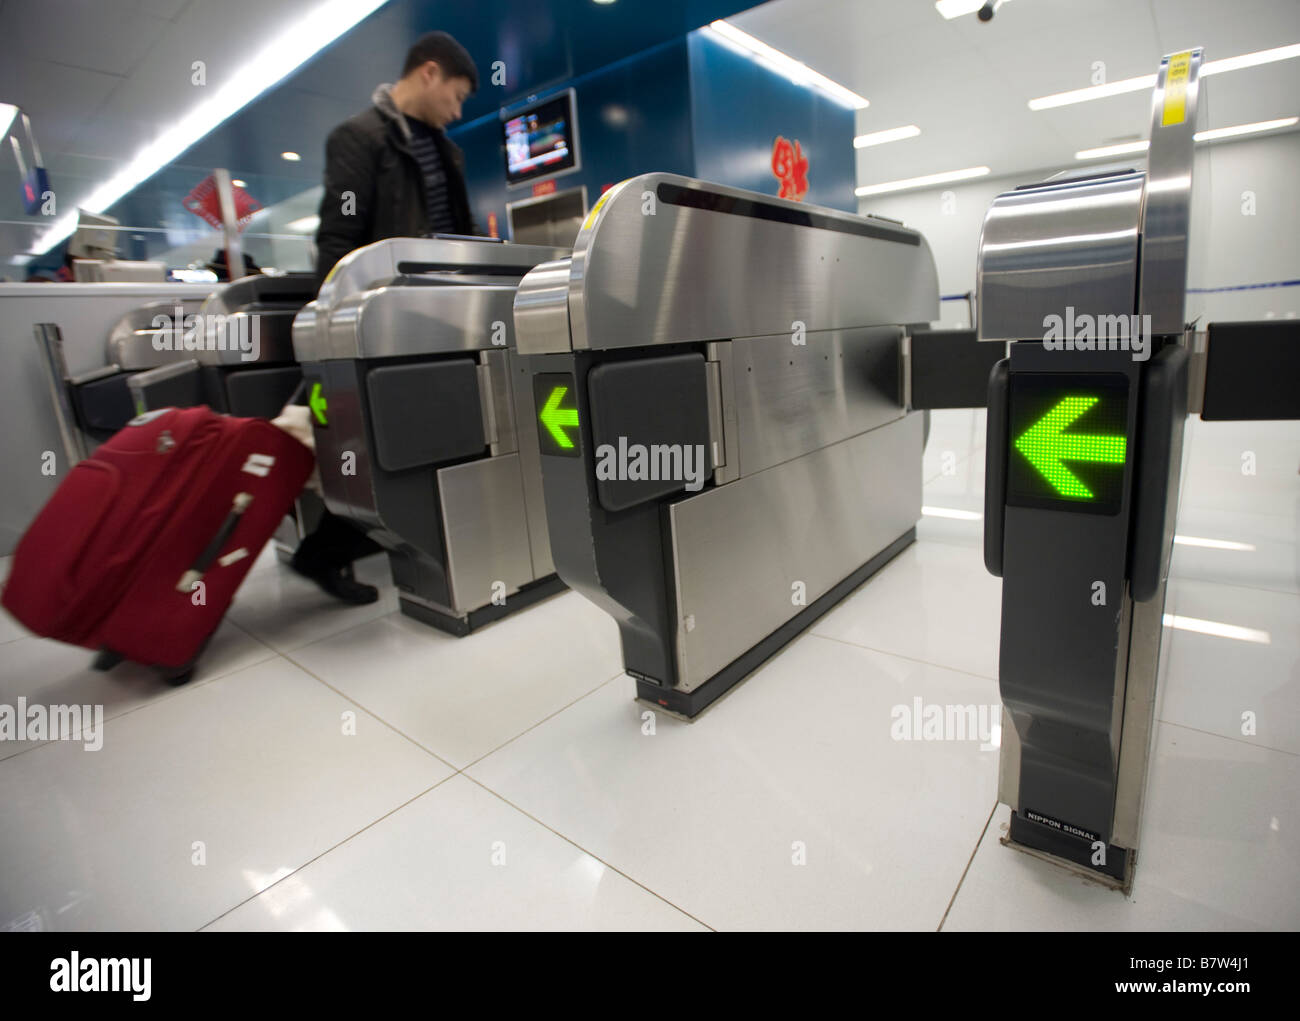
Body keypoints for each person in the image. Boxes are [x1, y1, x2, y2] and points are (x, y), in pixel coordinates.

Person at [289, 31, 480, 604]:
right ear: (428, 74)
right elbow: (340, 239)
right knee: (381, 440)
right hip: (380, 313)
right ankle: (322, 553)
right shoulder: (359, 139)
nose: (458, 109)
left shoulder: (446, 149)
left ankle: (440, 540)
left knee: (436, 425)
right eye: (457, 95)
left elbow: (459, 235)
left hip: (440, 308)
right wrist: (334, 321)